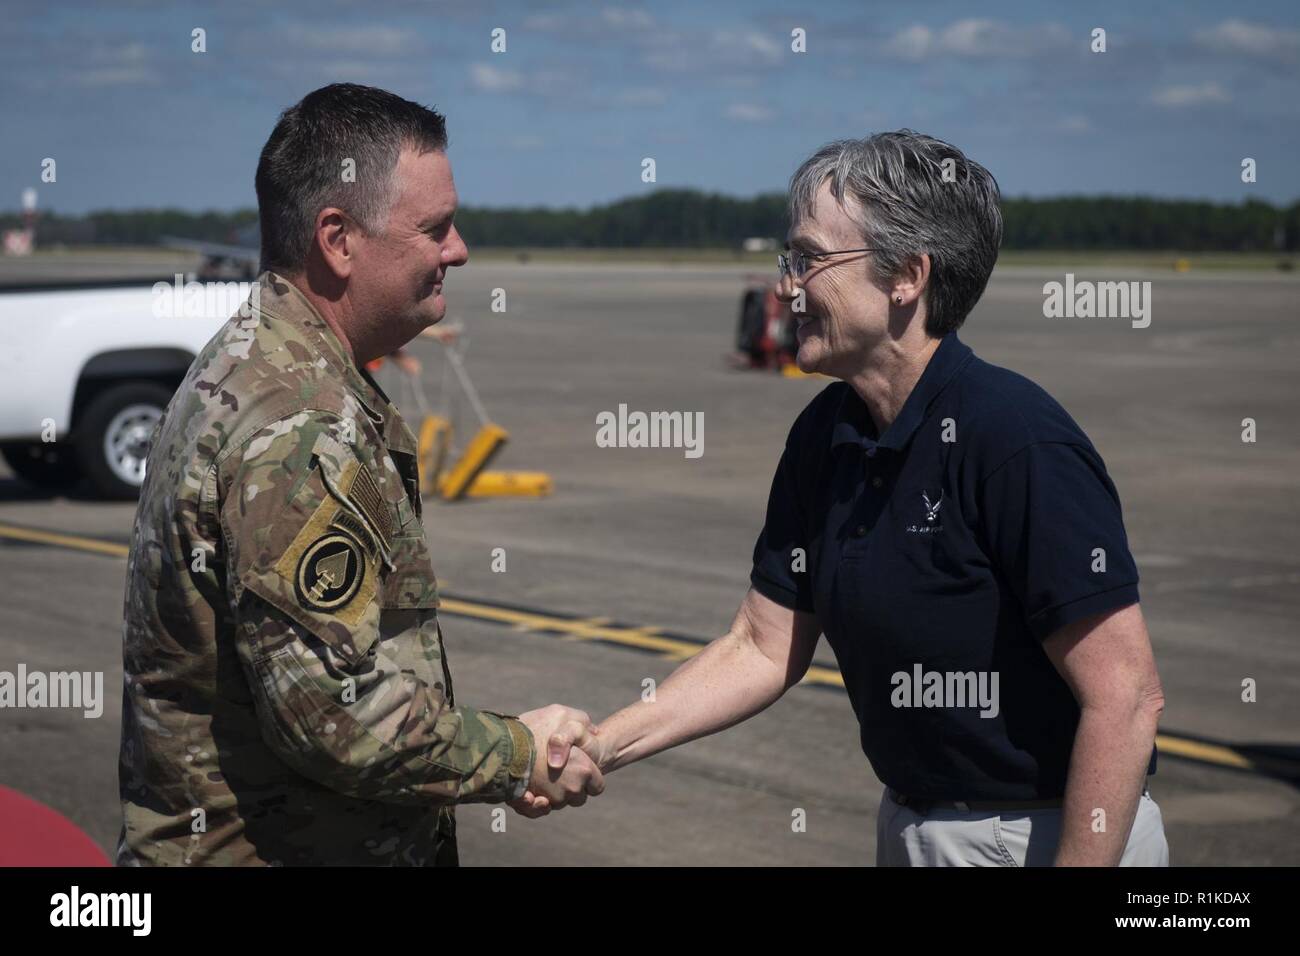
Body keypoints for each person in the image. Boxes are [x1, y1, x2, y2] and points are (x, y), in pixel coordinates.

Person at [558, 131, 1169, 866]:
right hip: (913, 827)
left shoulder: (1015, 440)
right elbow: (760, 646)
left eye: (809, 259)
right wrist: (602, 745)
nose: (788, 287)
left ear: (907, 276)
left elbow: (1126, 697)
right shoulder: (827, 432)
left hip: (1044, 839)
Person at [117, 83, 601, 867]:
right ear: (337, 239)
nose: (460, 249)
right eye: (435, 229)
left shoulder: (265, 363)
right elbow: (335, 717)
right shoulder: (297, 422)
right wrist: (516, 753)